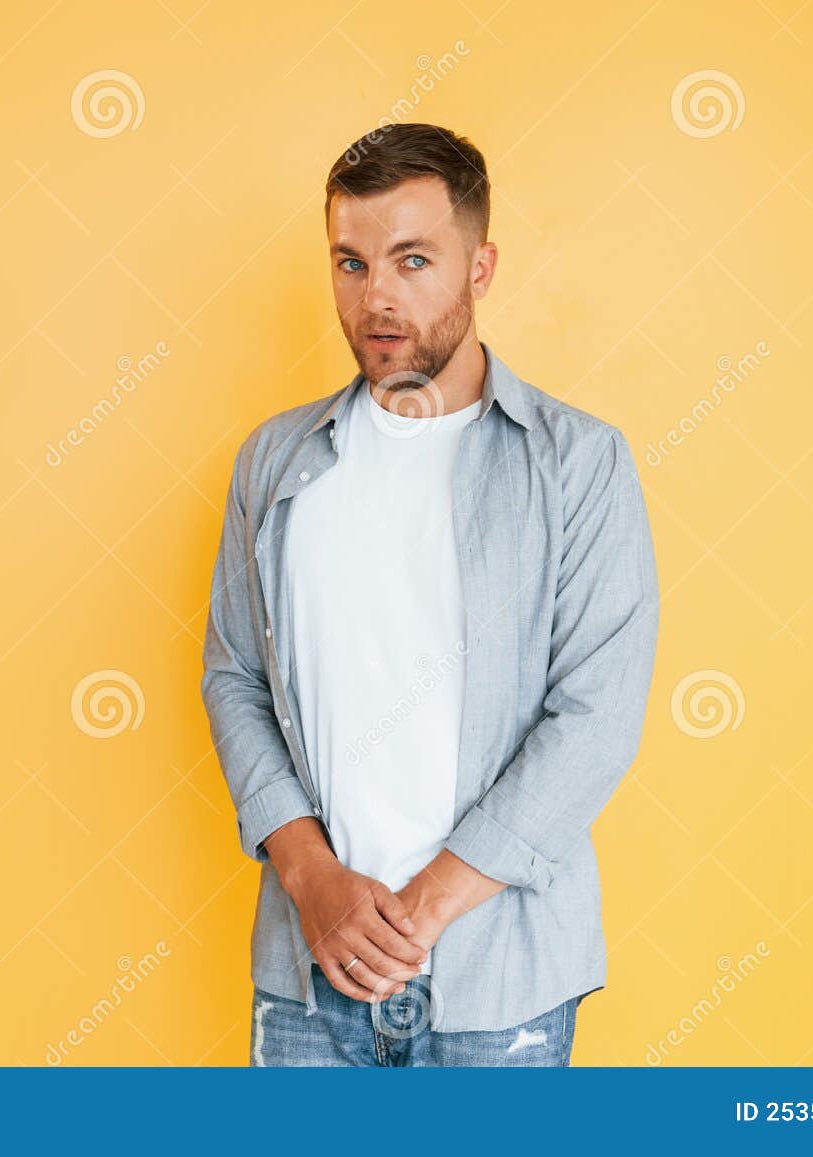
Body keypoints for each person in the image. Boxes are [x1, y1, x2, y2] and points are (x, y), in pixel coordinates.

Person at [200, 123, 660, 1066]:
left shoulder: (578, 463)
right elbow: (233, 675)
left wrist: (426, 908)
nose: (377, 298)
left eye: (414, 260)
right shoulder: (276, 462)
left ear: (480, 266)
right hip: (305, 981)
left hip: (503, 987)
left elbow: (597, 715)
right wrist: (312, 877)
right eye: (351, 262)